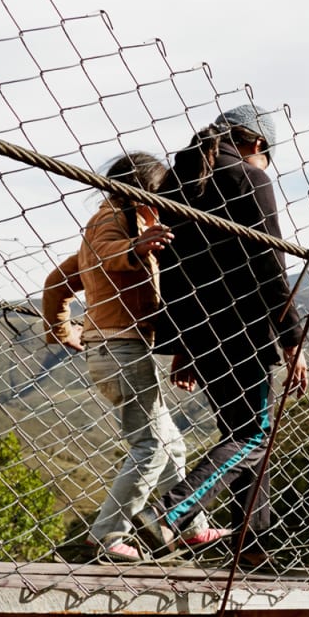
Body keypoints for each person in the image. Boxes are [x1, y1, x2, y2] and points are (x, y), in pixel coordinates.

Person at [135, 104, 308, 568]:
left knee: (241, 433)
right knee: (254, 436)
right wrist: (292, 338)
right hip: (244, 329)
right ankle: (170, 509)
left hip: (200, 332)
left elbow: (171, 269)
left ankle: (250, 547)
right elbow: (270, 264)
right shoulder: (250, 180)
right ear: (257, 145)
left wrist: (183, 344)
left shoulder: (180, 181)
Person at [43, 152, 229, 562]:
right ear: (141, 190)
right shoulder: (112, 219)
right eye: (161, 194)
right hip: (120, 348)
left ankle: (189, 527)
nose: (165, 203)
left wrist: (63, 329)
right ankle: (106, 535)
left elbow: (57, 283)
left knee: (172, 443)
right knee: (150, 445)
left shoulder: (108, 231)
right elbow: (110, 250)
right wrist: (135, 246)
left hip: (118, 348)